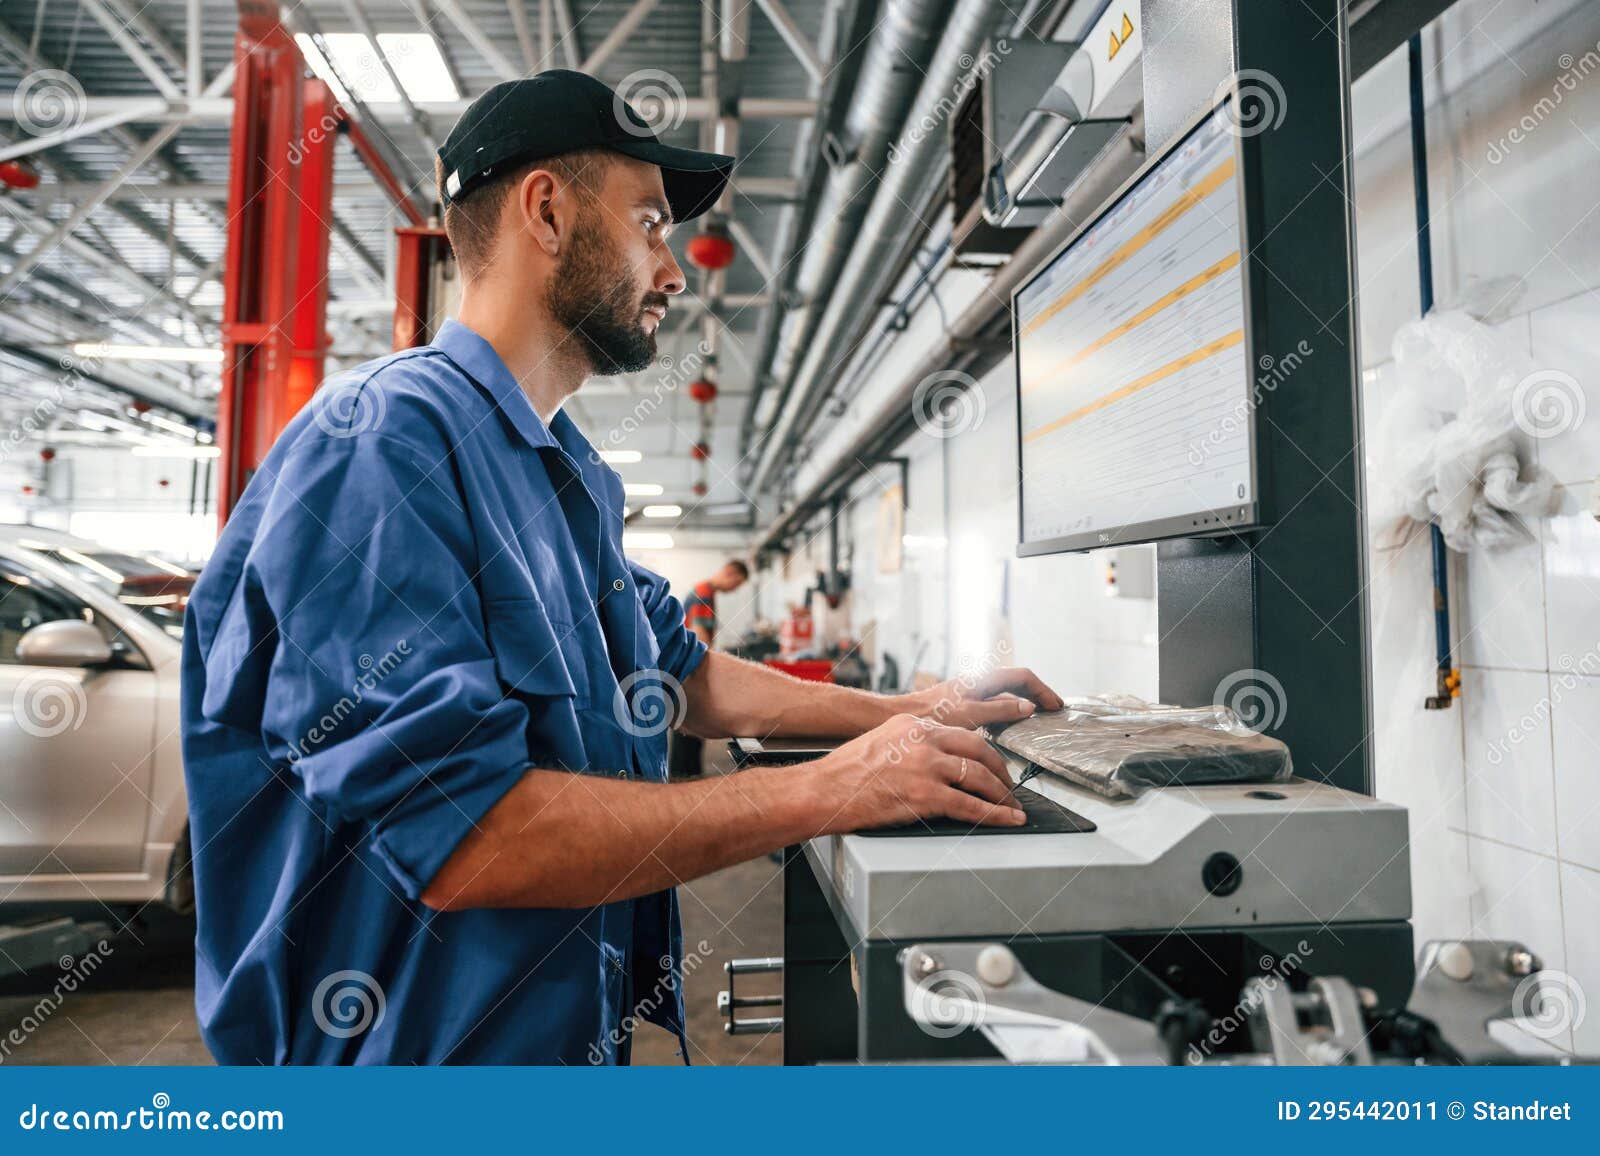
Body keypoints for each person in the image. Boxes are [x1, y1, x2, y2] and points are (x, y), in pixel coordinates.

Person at [180, 70, 1063, 1066]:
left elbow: (676, 672)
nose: (674, 270)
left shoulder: (570, 480)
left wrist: (914, 711)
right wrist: (831, 789)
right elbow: (471, 835)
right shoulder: (383, 445)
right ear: (547, 211)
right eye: (648, 222)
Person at [669, 559, 749, 779]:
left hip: (683, 669)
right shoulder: (703, 593)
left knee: (685, 727)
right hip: (690, 672)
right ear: (729, 574)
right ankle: (685, 781)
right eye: (737, 584)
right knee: (690, 730)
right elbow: (699, 637)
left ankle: (684, 777)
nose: (734, 590)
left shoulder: (702, 591)